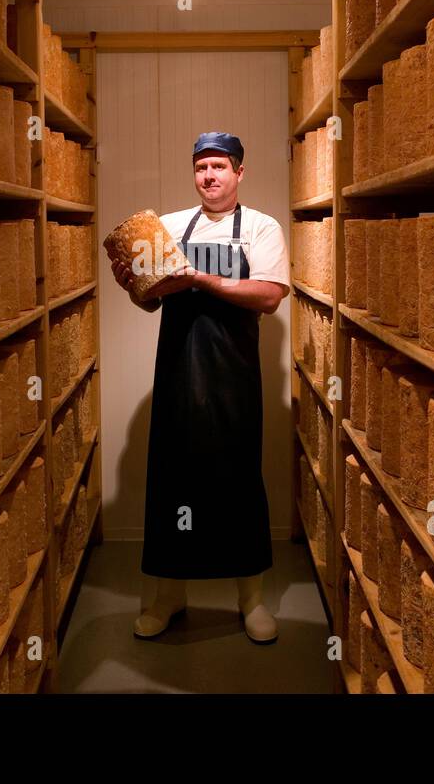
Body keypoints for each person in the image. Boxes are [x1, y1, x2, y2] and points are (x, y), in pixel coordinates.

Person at [110, 131, 291, 643]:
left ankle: (251, 600)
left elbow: (269, 296)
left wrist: (199, 279)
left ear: (239, 173)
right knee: (173, 483)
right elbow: (149, 300)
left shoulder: (260, 228)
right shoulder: (166, 226)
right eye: (200, 168)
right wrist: (133, 285)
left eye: (218, 166)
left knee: (237, 484)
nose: (208, 176)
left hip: (234, 377)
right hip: (177, 374)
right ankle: (168, 598)